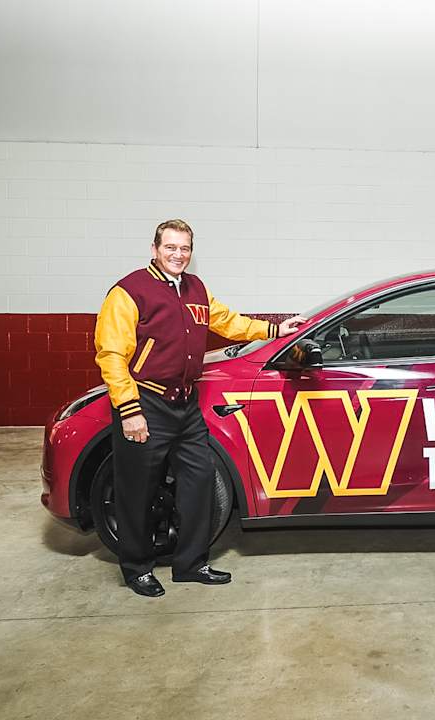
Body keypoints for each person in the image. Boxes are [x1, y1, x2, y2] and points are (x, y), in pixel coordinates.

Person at [94, 219, 305, 597]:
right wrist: (129, 409)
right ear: (154, 249)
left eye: (185, 248)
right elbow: (111, 355)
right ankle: (137, 569)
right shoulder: (129, 292)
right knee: (137, 491)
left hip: (185, 405)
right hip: (146, 402)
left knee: (199, 481)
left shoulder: (195, 288)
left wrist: (274, 330)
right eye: (170, 247)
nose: (178, 255)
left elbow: (228, 321)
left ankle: (190, 564)